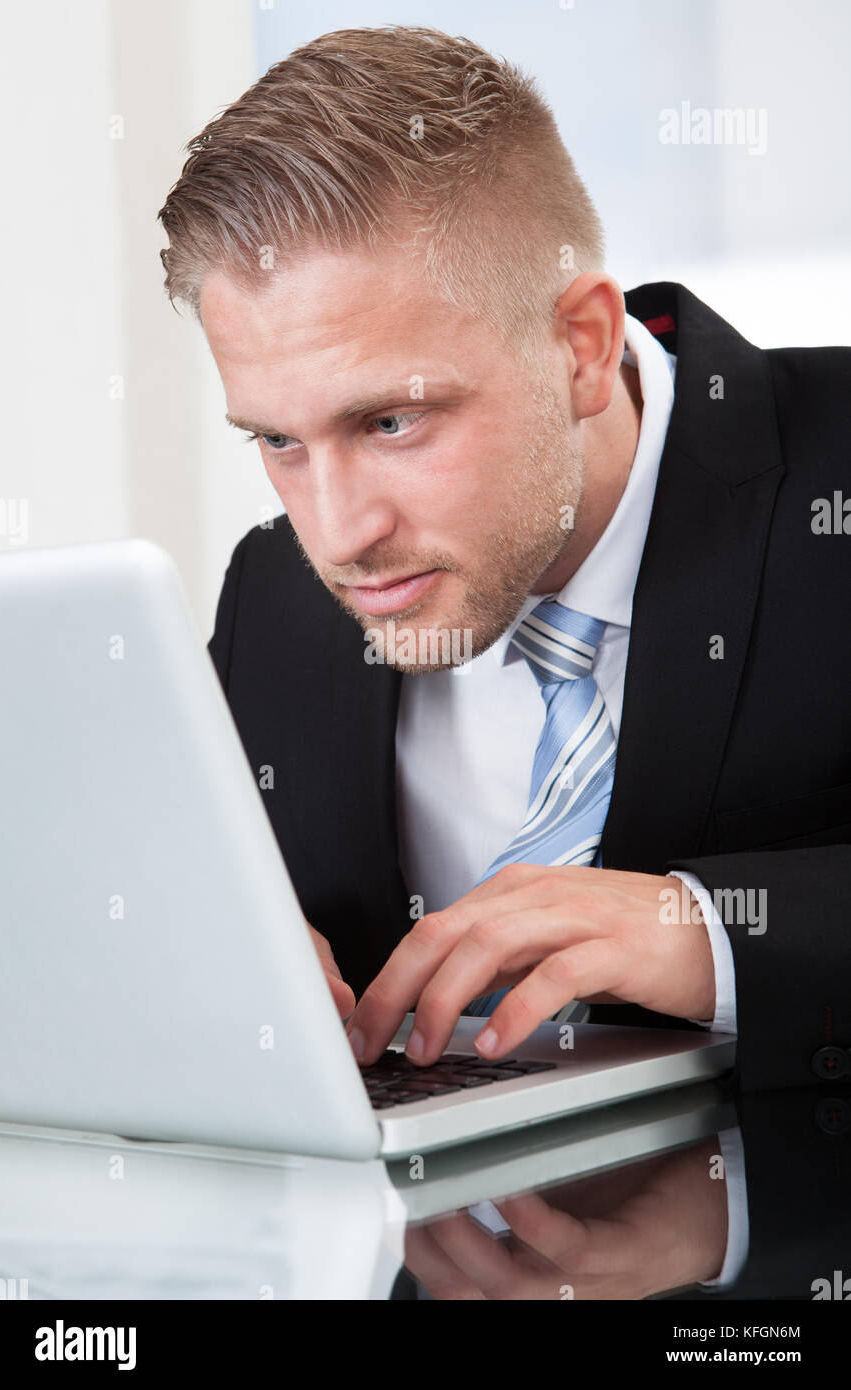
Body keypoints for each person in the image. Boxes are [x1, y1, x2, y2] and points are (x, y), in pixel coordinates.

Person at [157, 25, 851, 1094]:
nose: (338, 536)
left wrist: (714, 936)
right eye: (278, 441)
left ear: (578, 344)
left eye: (390, 421)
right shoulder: (269, 604)